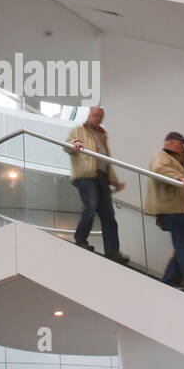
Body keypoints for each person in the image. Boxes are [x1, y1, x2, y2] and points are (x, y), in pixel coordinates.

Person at [67, 107, 128, 263]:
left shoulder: (102, 135)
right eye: (96, 115)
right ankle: (80, 240)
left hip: (101, 177)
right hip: (86, 176)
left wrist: (114, 181)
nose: (98, 118)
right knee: (91, 206)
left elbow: (106, 161)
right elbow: (68, 144)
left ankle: (112, 251)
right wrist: (76, 143)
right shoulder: (79, 130)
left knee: (109, 215)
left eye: (101, 116)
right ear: (89, 115)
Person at [145, 132, 184, 292]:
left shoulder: (173, 160)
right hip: (172, 209)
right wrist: (181, 178)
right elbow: (160, 169)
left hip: (178, 209)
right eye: (181, 143)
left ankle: (169, 280)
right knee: (183, 245)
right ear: (171, 142)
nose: (183, 147)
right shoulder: (161, 157)